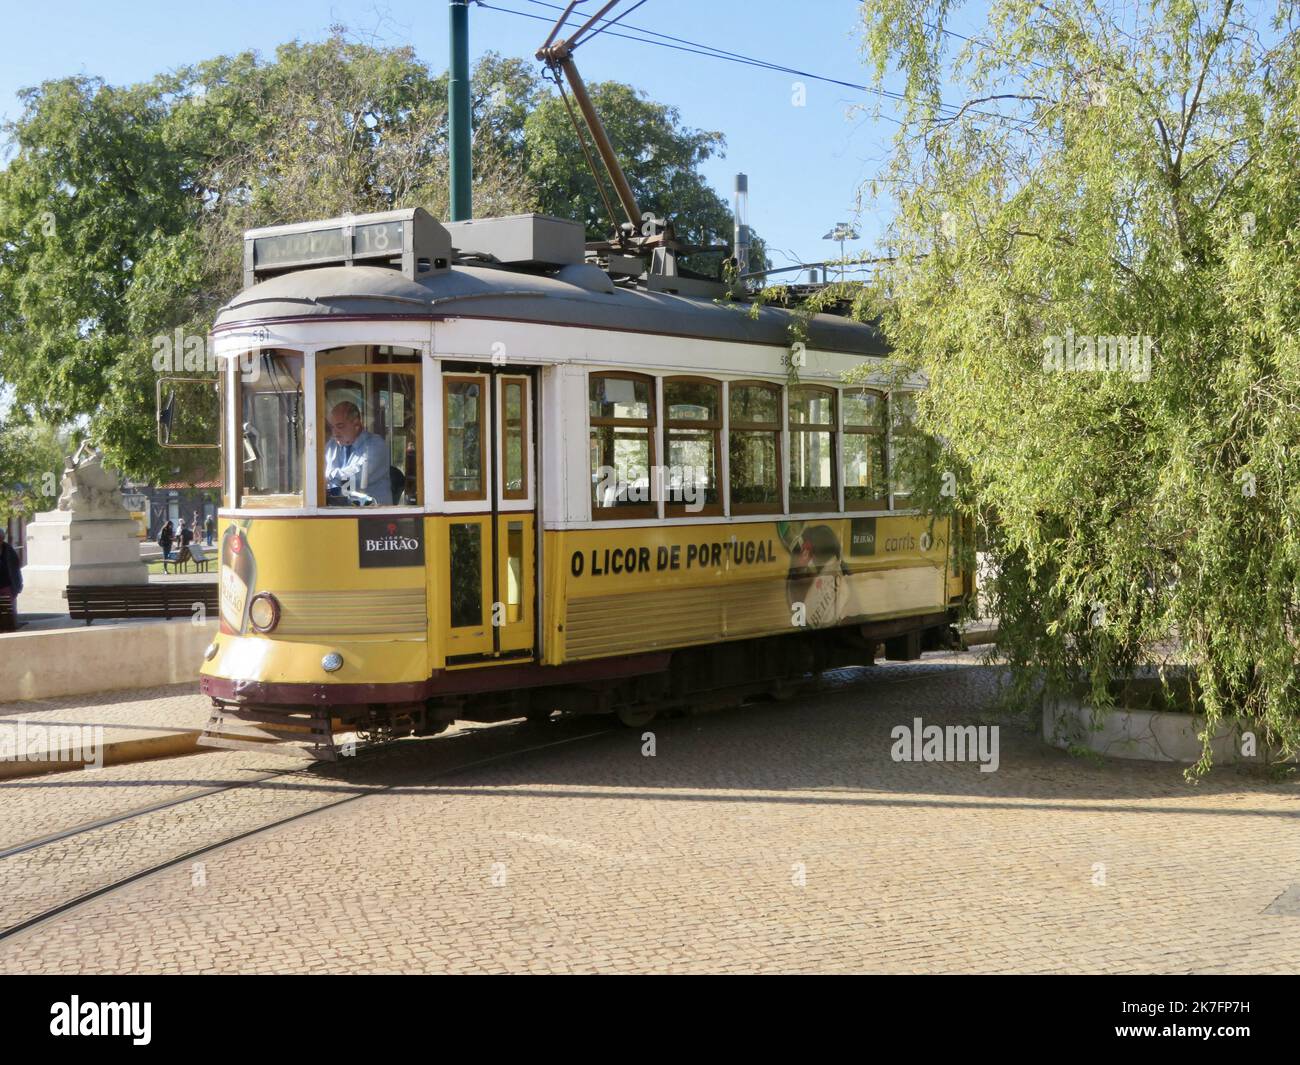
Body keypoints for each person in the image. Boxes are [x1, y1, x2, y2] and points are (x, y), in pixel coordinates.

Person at [324, 400, 392, 505]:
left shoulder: (376, 445)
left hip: (373, 515)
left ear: (356, 424)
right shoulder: (332, 446)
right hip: (338, 512)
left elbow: (354, 477)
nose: (335, 433)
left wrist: (327, 475)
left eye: (340, 426)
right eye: (332, 427)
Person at [0, 527, 22, 631]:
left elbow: (16, 568)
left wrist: (18, 585)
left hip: (7, 585)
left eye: (1, 538)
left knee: (10, 610)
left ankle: (11, 627)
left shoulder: (8, 550)